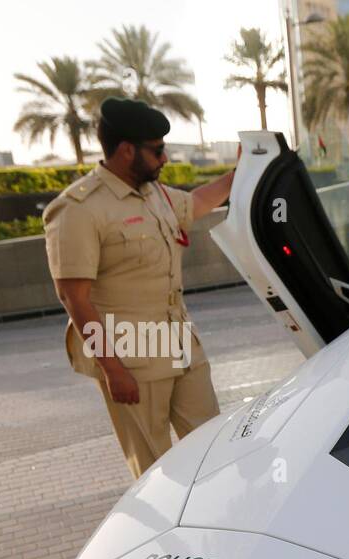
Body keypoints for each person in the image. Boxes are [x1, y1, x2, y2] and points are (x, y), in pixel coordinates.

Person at [44, 97, 237, 478]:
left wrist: (239, 174)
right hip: (132, 353)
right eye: (157, 150)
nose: (165, 158)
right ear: (126, 150)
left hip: (180, 342)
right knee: (156, 470)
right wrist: (112, 369)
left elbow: (196, 204)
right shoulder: (79, 210)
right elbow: (74, 298)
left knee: (213, 447)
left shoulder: (155, 193)